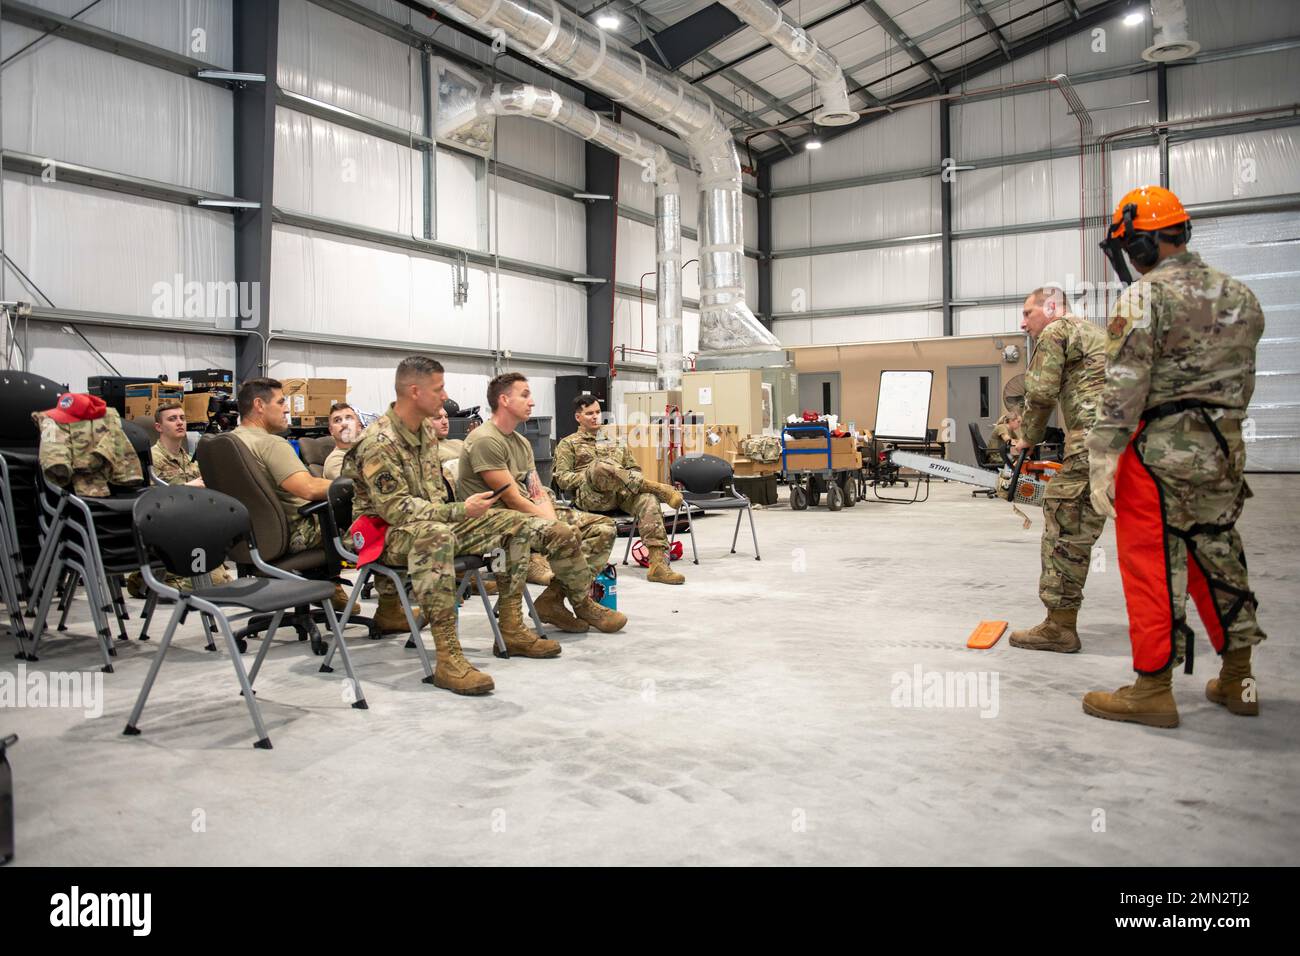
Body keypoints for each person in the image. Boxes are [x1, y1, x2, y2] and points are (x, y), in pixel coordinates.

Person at [1083, 185, 1267, 728]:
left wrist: (1102, 455)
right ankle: (1240, 679)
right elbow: (1240, 383)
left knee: (1151, 566)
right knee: (1220, 556)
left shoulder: (1145, 299)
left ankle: (1152, 689)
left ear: (1140, 245)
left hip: (1157, 457)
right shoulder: (1241, 295)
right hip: (1222, 454)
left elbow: (1123, 389)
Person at [344, 357, 595, 693]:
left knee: (515, 524)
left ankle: (511, 628)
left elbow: (433, 501)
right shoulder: (380, 441)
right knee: (433, 536)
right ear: (414, 391)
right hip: (382, 533)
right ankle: (448, 658)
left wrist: (460, 513)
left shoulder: (424, 434)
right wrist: (460, 510)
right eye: (438, 389)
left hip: (427, 522)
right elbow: (396, 510)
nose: (444, 395)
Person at [458, 373, 626, 634]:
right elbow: (511, 497)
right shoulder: (485, 439)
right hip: (494, 521)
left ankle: (552, 600)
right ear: (504, 400)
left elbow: (536, 491)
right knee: (561, 532)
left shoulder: (521, 442)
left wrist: (552, 519)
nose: (532, 402)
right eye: (524, 395)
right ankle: (583, 603)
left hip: (527, 514)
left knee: (603, 528)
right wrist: (552, 525)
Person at [1007, 286, 1107, 654]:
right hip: (1127, 444)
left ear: (1050, 308)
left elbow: (1041, 393)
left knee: (1065, 526)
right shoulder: (1098, 334)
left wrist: (1026, 438)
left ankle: (1059, 627)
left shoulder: (1056, 331)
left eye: (1027, 312)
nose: (1023, 322)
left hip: (1091, 442)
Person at [231, 379, 357, 614]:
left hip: (253, 539)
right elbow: (308, 488)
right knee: (378, 521)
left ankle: (328, 587)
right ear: (259, 405)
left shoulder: (232, 441)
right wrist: (355, 486)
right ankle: (390, 609)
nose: (287, 409)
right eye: (280, 402)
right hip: (296, 533)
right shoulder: (270, 443)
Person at [553, 393, 685, 585]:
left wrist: (617, 477)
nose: (595, 416)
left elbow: (634, 470)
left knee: (648, 499)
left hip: (621, 495)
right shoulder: (568, 444)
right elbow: (562, 480)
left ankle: (658, 565)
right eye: (589, 413)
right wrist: (592, 476)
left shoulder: (615, 441)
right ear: (578, 417)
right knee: (598, 468)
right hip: (592, 497)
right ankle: (660, 488)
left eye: (598, 412)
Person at [150, 401, 204, 486]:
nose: (180, 423)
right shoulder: (151, 459)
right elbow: (149, 495)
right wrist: (187, 487)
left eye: (182, 418)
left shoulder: (191, 461)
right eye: (172, 419)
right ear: (159, 427)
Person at [322, 403, 361, 480]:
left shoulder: (366, 451)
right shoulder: (335, 461)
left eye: (349, 418)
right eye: (337, 420)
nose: (344, 424)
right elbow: (358, 487)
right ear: (331, 430)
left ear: (359, 426)